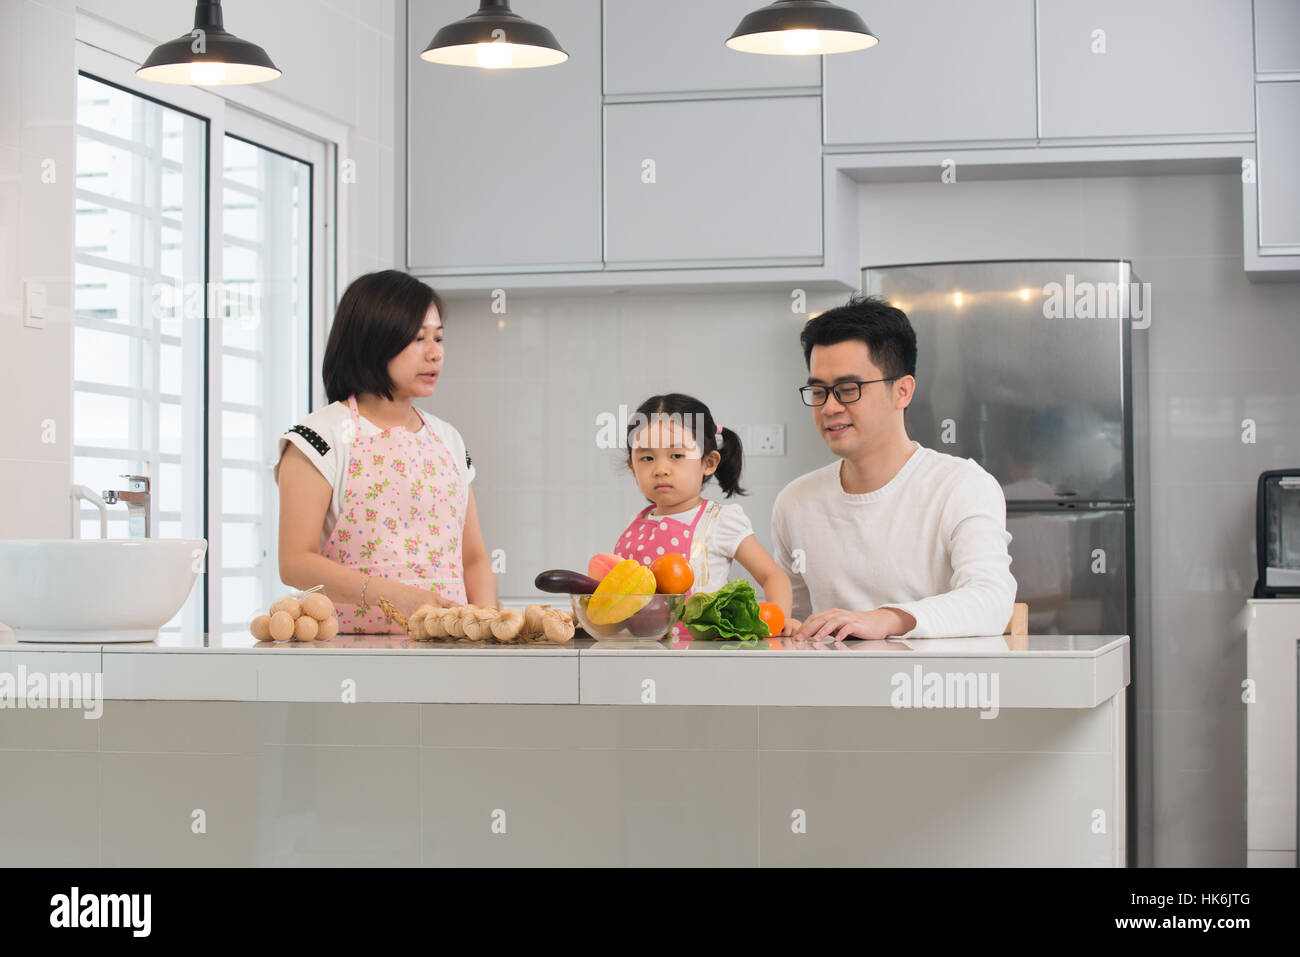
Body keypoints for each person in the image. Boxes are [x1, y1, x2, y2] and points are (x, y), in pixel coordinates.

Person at [771, 296, 1016, 641]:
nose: (829, 407)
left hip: (935, 689)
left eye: (847, 389)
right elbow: (793, 623)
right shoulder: (795, 501)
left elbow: (992, 599)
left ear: (902, 391)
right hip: (833, 692)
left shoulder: (962, 486)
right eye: (818, 391)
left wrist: (889, 619)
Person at [275, 270, 495, 632]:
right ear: (372, 341)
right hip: (354, 657)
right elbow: (294, 562)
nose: (435, 353)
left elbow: (474, 559)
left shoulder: (448, 439)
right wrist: (391, 595)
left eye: (438, 338)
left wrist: (486, 627)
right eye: (417, 338)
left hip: (451, 654)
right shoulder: (318, 438)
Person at [614, 393, 793, 636]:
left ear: (708, 462)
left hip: (702, 654)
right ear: (632, 468)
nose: (660, 469)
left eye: (676, 455)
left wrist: (779, 621)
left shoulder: (720, 521)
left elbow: (773, 576)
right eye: (646, 458)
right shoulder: (637, 523)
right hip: (641, 649)